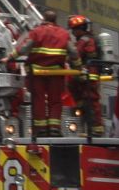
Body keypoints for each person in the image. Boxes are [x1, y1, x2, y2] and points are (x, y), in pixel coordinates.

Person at [13, 8, 80, 138]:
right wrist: (78, 66)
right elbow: (73, 52)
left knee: (39, 99)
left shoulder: (36, 32)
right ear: (55, 20)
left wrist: (10, 57)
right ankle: (54, 128)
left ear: (43, 19)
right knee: (55, 100)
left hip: (37, 73)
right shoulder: (64, 34)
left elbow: (24, 48)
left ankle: (41, 129)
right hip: (56, 73)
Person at [67, 14, 106, 137]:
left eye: (74, 30)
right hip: (89, 75)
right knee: (86, 102)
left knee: (90, 102)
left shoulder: (84, 40)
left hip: (88, 76)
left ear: (80, 29)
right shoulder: (90, 39)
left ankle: (95, 130)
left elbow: (75, 54)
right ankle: (91, 129)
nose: (73, 33)